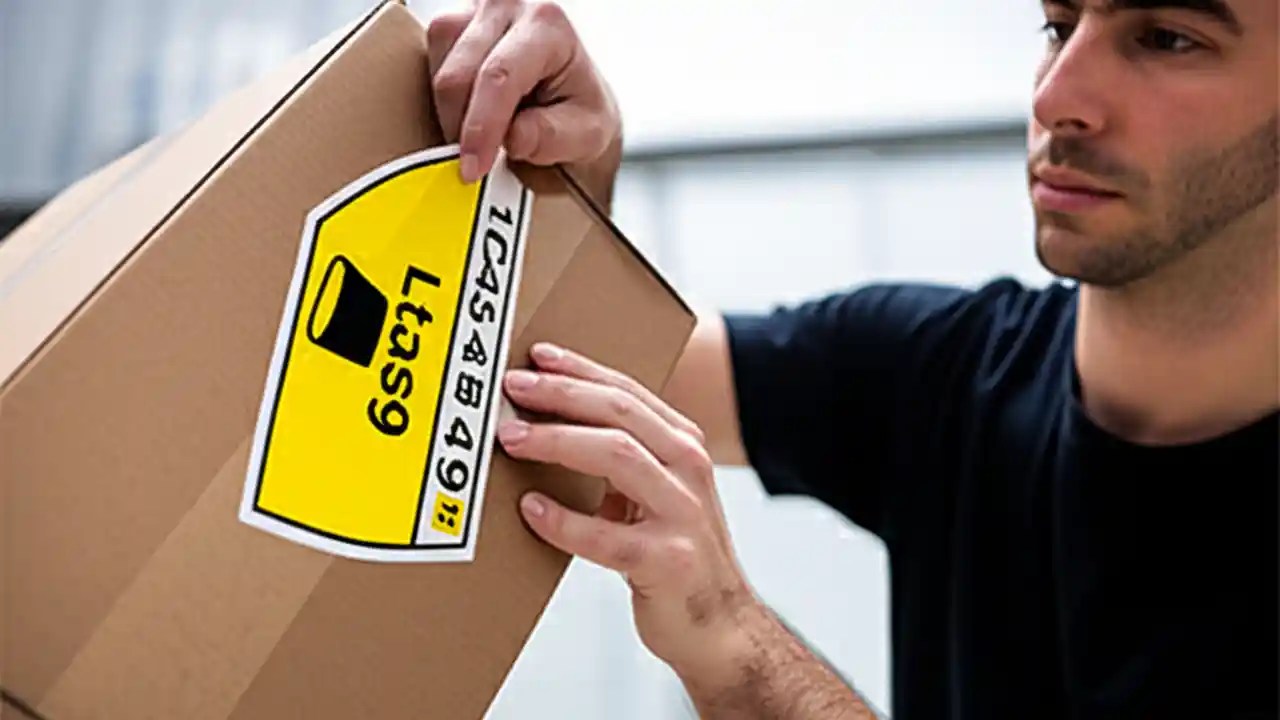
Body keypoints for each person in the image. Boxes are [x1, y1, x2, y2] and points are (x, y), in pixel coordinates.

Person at [425, 1, 1278, 717]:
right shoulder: (945, 368)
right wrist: (566, 188)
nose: (1059, 96)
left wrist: (736, 645)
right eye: (1058, 26)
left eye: (1166, 37)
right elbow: (571, 375)